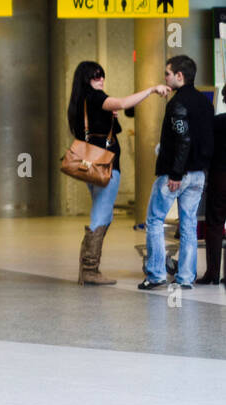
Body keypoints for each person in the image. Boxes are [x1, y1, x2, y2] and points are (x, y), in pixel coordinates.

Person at [66, 62, 169, 285]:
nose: (101, 79)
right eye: (95, 76)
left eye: (102, 75)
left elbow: (113, 122)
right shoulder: (94, 97)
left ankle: (87, 270)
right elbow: (123, 103)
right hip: (106, 167)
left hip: (91, 166)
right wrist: (151, 89)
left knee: (101, 213)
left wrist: (110, 115)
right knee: (101, 216)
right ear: (86, 79)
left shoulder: (82, 100)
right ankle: (90, 270)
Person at [140, 55, 214, 291]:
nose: (165, 77)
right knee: (189, 224)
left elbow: (183, 138)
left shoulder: (177, 104)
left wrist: (175, 173)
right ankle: (184, 278)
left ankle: (156, 275)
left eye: (167, 73)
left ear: (179, 76)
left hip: (176, 175)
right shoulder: (205, 103)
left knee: (154, 220)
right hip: (198, 175)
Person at [197, 86, 226, 285]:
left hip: (220, 177)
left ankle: (213, 273)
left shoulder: (217, 123)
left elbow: (205, 148)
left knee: (215, 225)